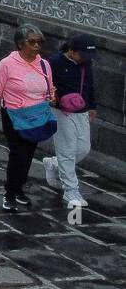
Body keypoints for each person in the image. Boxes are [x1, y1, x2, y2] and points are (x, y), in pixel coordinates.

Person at [0, 24, 58, 211]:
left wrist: (52, 96)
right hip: (14, 114)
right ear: (20, 44)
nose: (36, 46)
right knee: (17, 154)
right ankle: (9, 193)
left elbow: (49, 87)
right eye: (32, 42)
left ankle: (19, 188)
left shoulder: (44, 64)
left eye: (39, 42)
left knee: (28, 154)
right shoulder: (7, 64)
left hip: (36, 115)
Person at [45, 33, 97, 208]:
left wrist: (92, 106)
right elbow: (46, 84)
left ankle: (54, 163)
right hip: (61, 110)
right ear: (71, 51)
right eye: (82, 55)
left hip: (81, 109)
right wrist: (53, 100)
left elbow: (90, 84)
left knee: (83, 148)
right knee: (67, 149)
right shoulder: (55, 62)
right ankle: (71, 189)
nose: (85, 59)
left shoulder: (86, 64)